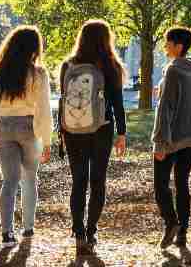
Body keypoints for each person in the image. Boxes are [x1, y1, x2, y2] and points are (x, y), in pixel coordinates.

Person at [54, 20, 127, 254]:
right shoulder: (111, 65)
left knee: (78, 181)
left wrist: (60, 129)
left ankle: (78, 232)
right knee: (97, 182)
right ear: (106, 39)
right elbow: (117, 103)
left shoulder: (68, 65)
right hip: (101, 129)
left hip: (72, 130)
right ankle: (91, 231)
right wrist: (122, 133)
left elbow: (63, 99)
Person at [0, 26, 52, 248]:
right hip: (28, 127)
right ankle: (28, 227)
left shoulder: (1, 73)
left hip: (4, 126)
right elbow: (44, 110)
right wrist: (47, 140)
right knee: (29, 178)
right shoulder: (38, 74)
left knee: (9, 181)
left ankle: (6, 233)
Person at [152, 26, 191, 250]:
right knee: (182, 184)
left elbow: (166, 109)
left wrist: (160, 142)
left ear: (178, 46)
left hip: (171, 138)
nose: (165, 46)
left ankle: (171, 222)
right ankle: (182, 233)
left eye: (168, 43)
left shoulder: (173, 70)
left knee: (160, 185)